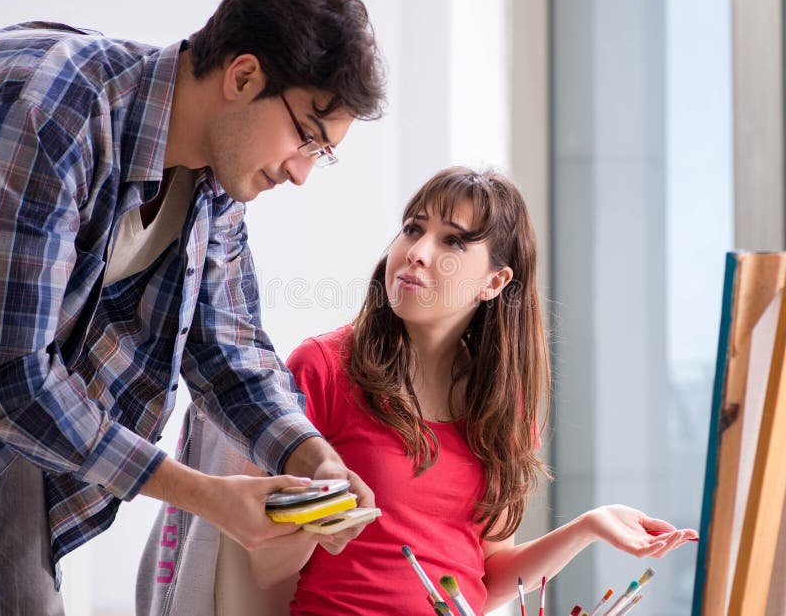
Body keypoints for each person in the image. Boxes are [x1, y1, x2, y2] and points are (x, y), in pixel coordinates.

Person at [0, 0, 385, 616]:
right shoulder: (55, 112)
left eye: (324, 153)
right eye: (307, 137)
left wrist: (314, 458)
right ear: (244, 76)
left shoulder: (215, 187)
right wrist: (205, 493)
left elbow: (229, 352)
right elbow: (9, 374)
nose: (302, 172)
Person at [233, 167, 699, 615]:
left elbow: (488, 578)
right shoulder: (323, 368)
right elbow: (263, 565)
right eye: (413, 229)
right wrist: (320, 516)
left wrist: (587, 527)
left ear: (494, 282)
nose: (417, 251)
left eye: (452, 240)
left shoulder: (502, 404)